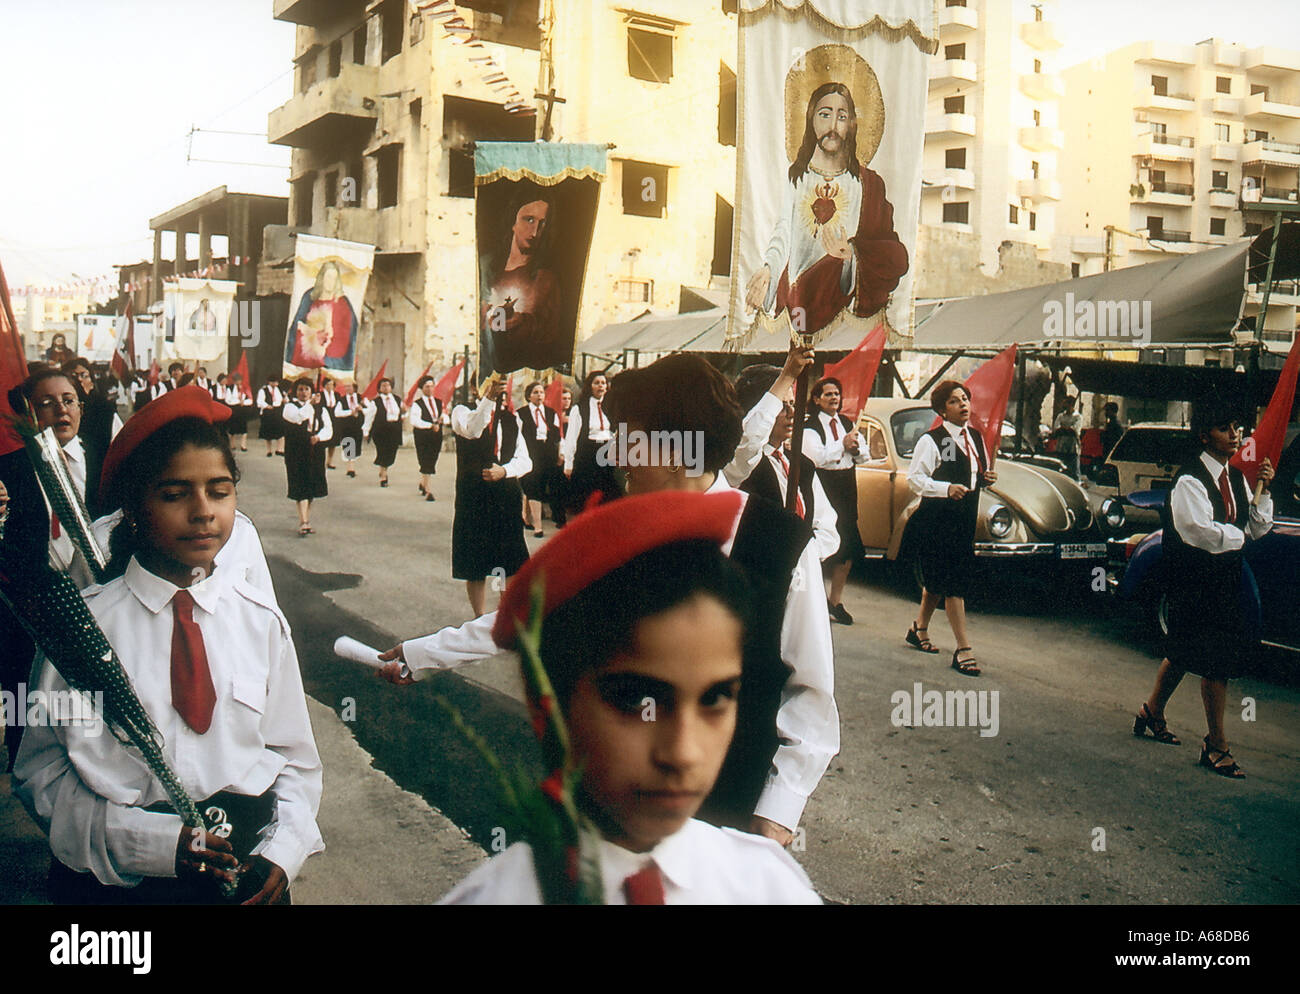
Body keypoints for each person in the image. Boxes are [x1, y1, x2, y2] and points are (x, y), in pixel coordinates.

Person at [381, 354, 838, 847]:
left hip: (733, 820)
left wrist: (776, 816)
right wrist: (419, 655)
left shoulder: (781, 546)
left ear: (675, 446)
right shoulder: (616, 534)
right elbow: (529, 616)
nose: (615, 454)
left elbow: (810, 694)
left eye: (628, 437)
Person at [13, 386, 324, 903]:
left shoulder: (259, 619)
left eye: (219, 491)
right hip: (121, 881)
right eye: (176, 494)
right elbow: (41, 772)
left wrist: (284, 848)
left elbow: (293, 756)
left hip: (243, 872)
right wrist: (150, 844)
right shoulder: (86, 627)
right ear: (133, 508)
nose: (203, 512)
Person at [440, 491, 819, 904]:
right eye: (637, 700)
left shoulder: (765, 886)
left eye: (716, 697)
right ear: (547, 703)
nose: (684, 753)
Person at [1133, 400, 1274, 778]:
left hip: (1223, 579)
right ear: (1204, 435)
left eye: (1237, 428)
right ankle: (1216, 746)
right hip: (1193, 580)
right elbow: (1199, 533)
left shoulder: (1238, 480)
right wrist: (1238, 534)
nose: (1235, 435)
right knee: (1215, 660)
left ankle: (1151, 712)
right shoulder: (1190, 480)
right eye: (1225, 428)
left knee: (1183, 650)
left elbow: (1257, 528)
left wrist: (1266, 490)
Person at [744, 81, 908, 338]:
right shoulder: (793, 178)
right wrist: (768, 269)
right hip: (795, 302)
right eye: (825, 114)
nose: (832, 126)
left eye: (841, 117)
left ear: (851, 124)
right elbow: (782, 232)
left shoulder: (868, 185)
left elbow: (895, 255)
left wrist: (851, 255)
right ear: (811, 120)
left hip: (839, 307)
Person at [0, 369, 97, 768]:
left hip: (96, 605)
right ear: (30, 411)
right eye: (47, 402)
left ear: (81, 406)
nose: (61, 409)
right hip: (29, 613)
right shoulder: (8, 469)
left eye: (69, 399)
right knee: (24, 696)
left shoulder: (108, 459)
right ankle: (25, 765)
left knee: (89, 703)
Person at [904, 381, 996, 677]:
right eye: (956, 401)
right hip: (937, 520)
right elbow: (915, 480)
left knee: (938, 578)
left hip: (964, 519)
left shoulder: (977, 438)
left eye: (966, 399)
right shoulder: (935, 440)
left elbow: (971, 475)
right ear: (943, 409)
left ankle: (919, 629)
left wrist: (985, 478)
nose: (964, 404)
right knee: (954, 582)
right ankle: (963, 649)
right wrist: (945, 489)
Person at [734, 365, 839, 563]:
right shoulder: (741, 463)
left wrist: (802, 556)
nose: (792, 412)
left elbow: (827, 525)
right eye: (782, 406)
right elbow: (750, 439)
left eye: (793, 403)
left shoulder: (802, 465)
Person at [449, 377, 531, 616]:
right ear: (476, 388)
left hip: (504, 496)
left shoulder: (512, 419)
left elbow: (525, 460)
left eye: (500, 386)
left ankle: (503, 615)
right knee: (474, 560)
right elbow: (474, 430)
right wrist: (489, 400)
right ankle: (479, 617)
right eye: (490, 384)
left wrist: (504, 471)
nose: (498, 390)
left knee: (505, 560)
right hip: (473, 496)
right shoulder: (462, 411)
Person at [803, 377, 866, 625]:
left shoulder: (847, 423)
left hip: (847, 486)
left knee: (848, 547)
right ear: (817, 399)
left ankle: (835, 600)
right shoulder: (810, 428)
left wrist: (856, 449)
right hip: (823, 486)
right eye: (828, 394)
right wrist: (842, 445)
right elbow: (815, 459)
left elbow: (864, 455)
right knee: (821, 545)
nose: (834, 398)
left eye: (837, 393)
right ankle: (815, 599)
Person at [481, 191, 562, 373]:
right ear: (513, 222)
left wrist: (521, 323)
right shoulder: (487, 268)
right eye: (529, 220)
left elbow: (547, 333)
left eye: (542, 224)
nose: (535, 232)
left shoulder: (545, 279)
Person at [62, 358, 123, 519]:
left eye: (84, 375)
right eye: (73, 375)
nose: (79, 380)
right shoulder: (59, 413)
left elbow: (120, 451)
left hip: (97, 488)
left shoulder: (106, 412)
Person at [562, 370, 618, 514]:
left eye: (603, 383)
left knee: (607, 495)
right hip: (587, 454)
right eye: (597, 383)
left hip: (606, 454)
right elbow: (571, 438)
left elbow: (615, 432)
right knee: (587, 496)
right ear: (590, 386)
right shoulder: (579, 408)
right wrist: (569, 464)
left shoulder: (611, 407)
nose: (601, 386)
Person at [281, 378, 332, 536]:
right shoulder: (290, 407)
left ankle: (306, 518)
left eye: (307, 389)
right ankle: (303, 521)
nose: (303, 393)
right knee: (300, 483)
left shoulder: (321, 409)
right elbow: (298, 418)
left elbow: (328, 428)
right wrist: (310, 404)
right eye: (300, 389)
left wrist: (319, 437)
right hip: (296, 449)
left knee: (311, 485)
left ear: (311, 391)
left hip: (314, 449)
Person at [286, 261, 359, 372]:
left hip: (333, 357)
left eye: (334, 278)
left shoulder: (342, 301)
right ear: (322, 277)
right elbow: (297, 323)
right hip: (308, 351)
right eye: (329, 277)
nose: (331, 282)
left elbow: (350, 330)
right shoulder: (310, 296)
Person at [518, 380, 560, 537]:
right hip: (530, 451)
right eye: (535, 392)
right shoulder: (521, 413)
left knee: (540, 485)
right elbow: (518, 436)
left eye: (541, 392)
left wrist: (559, 453)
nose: (539, 395)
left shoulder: (551, 413)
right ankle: (538, 526)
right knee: (532, 484)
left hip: (547, 451)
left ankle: (525, 516)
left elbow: (557, 435)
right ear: (529, 396)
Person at [408, 376, 446, 501]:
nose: (430, 389)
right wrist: (430, 425)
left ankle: (423, 483)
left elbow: (445, 416)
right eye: (427, 386)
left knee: (432, 459)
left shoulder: (439, 402)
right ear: (422, 388)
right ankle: (428, 490)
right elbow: (415, 420)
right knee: (425, 459)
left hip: (436, 435)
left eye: (431, 386)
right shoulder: (417, 404)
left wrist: (442, 420)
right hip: (422, 435)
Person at [363, 378, 403, 487]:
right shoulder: (375, 402)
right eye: (383, 386)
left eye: (388, 385)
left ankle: (384, 468)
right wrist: (366, 431)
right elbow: (369, 417)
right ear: (379, 388)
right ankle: (384, 476)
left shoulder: (397, 399)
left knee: (391, 452)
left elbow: (401, 413)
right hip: (381, 430)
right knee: (383, 451)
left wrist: (404, 414)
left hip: (394, 429)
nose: (386, 387)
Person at [549, 385, 574, 527]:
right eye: (564, 398)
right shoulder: (553, 414)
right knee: (556, 486)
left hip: (570, 453)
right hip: (556, 454)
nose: (567, 401)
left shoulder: (573, 415)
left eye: (569, 398)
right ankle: (558, 517)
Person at [333, 381, 363, 478]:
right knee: (348, 445)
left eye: (349, 386)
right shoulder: (341, 400)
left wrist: (361, 409)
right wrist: (350, 412)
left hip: (358, 426)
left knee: (356, 446)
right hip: (346, 426)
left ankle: (351, 465)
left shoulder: (361, 398)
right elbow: (337, 413)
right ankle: (350, 468)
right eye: (346, 387)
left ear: (354, 387)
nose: (347, 389)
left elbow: (370, 410)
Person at [1052, 394, 1082, 479]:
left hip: (1072, 449)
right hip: (1061, 448)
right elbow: (1056, 430)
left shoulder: (1078, 417)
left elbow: (1074, 430)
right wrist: (1067, 429)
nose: (1063, 405)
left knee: (1074, 472)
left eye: (1065, 403)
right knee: (1060, 472)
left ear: (1071, 404)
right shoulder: (1060, 416)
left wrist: (1063, 429)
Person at [222, 373, 253, 451]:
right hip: (234, 409)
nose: (238, 382)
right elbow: (228, 400)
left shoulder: (245, 388)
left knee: (244, 428)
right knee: (232, 428)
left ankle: (243, 445)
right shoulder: (230, 388)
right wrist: (237, 401)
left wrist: (244, 402)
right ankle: (232, 444)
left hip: (243, 410)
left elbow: (250, 399)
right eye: (237, 381)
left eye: (239, 380)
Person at [256, 375, 286, 458]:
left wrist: (284, 400)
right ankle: (269, 450)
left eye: (276, 382)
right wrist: (266, 405)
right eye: (273, 382)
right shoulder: (263, 390)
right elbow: (259, 401)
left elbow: (282, 399)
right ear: (269, 382)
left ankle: (279, 449)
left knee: (281, 431)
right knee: (268, 433)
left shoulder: (279, 389)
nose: (275, 384)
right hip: (268, 413)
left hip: (278, 411)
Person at [319, 377, 340, 470]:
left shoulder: (336, 395)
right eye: (327, 384)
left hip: (334, 419)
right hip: (323, 418)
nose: (329, 386)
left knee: (333, 442)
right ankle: (321, 461)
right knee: (323, 441)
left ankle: (330, 461)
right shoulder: (320, 394)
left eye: (331, 384)